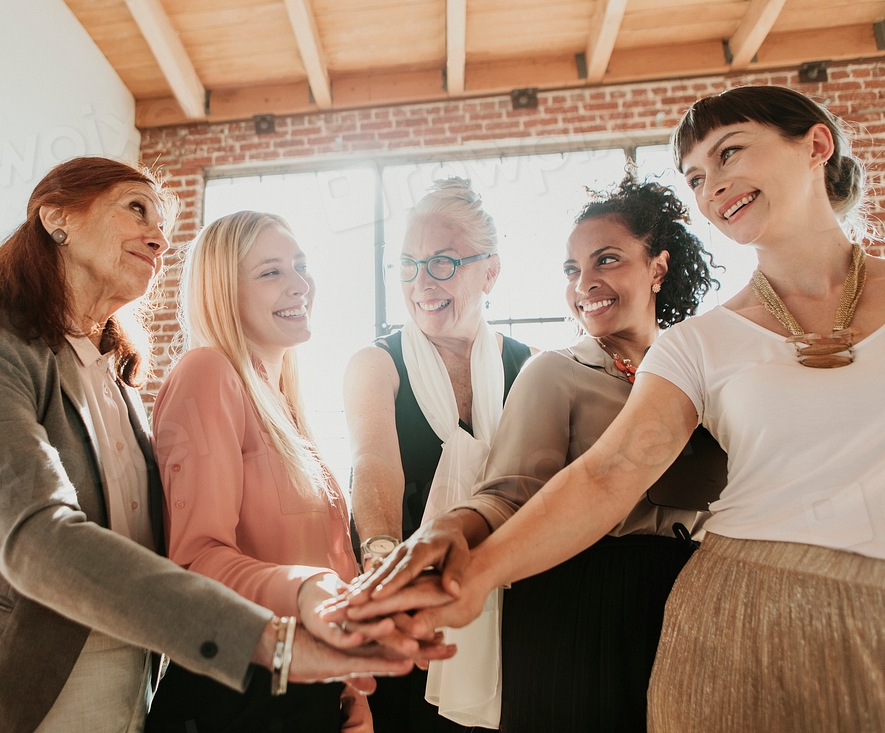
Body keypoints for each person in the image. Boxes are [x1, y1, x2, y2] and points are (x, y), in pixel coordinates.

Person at [332, 86, 885, 733]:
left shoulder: (673, 343)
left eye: (730, 153)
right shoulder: (698, 346)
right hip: (717, 613)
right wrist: (468, 570)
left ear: (817, 144)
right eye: (698, 177)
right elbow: (601, 474)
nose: (714, 186)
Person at [0, 157, 417, 733]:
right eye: (137, 208)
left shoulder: (119, 382)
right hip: (12, 684)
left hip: (132, 678)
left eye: (162, 221)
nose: (160, 235)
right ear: (57, 219)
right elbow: (33, 535)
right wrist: (279, 640)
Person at [361, 176, 722, 731]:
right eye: (572, 270)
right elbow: (510, 493)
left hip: (688, 608)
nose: (585, 283)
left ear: (658, 267)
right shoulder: (554, 370)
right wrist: (439, 537)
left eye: (606, 260)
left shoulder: (703, 375)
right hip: (577, 608)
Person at [148, 210, 451, 732]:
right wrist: (307, 589)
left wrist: (351, 685)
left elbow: (328, 558)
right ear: (224, 293)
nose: (300, 285)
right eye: (271, 273)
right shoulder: (207, 372)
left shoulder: (284, 403)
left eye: (301, 266)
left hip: (305, 689)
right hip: (237, 692)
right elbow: (195, 561)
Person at [343, 178, 533, 732]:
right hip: (409, 620)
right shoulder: (376, 364)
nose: (421, 282)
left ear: (490, 271)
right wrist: (385, 582)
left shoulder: (533, 368)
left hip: (517, 623)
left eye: (444, 263)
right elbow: (373, 463)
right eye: (408, 264)